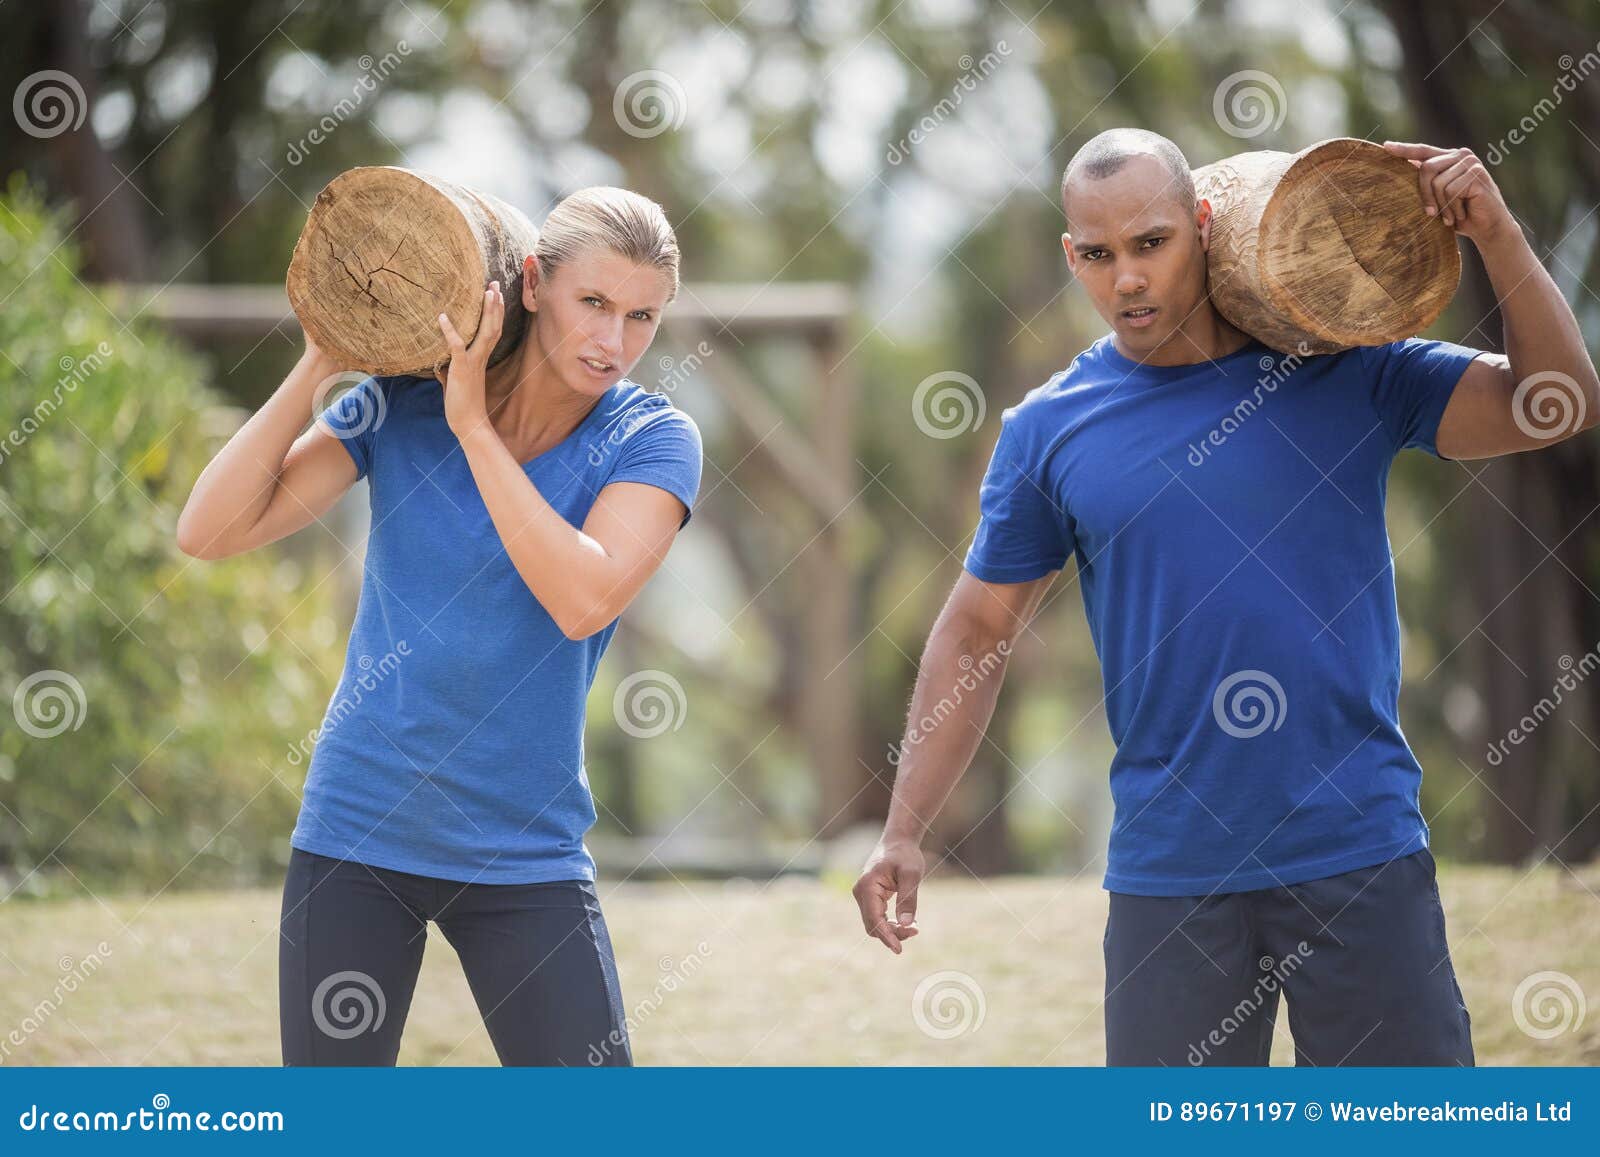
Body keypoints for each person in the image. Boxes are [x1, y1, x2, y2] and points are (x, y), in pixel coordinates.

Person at [852, 128, 1600, 1066]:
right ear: (1070, 254)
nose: (1126, 278)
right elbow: (977, 630)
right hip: (1171, 875)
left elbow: (1562, 401)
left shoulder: (1350, 367)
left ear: (1203, 224)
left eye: (1150, 243)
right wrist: (905, 827)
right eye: (1097, 253)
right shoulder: (1049, 429)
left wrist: (1496, 234)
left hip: (1357, 847)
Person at [176, 187, 702, 1066]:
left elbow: (582, 598)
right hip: (356, 832)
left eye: (642, 316)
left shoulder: (653, 438)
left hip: (525, 851)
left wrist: (474, 429)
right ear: (533, 284)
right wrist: (319, 362)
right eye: (595, 304)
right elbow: (209, 530)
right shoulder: (401, 404)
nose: (614, 341)